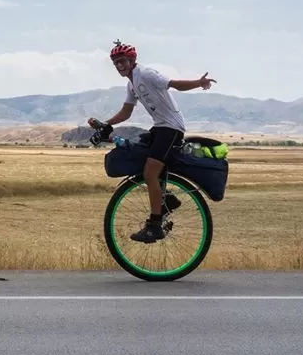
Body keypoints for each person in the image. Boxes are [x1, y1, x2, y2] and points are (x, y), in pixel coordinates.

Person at [88, 40, 216, 243]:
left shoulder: (146, 74)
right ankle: (167, 200)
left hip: (172, 128)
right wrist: (106, 124)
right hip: (160, 127)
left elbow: (173, 84)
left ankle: (155, 225)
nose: (120, 66)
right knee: (141, 156)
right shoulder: (131, 84)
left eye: (122, 61)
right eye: (116, 63)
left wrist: (198, 83)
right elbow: (126, 112)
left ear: (132, 60)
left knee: (150, 171)